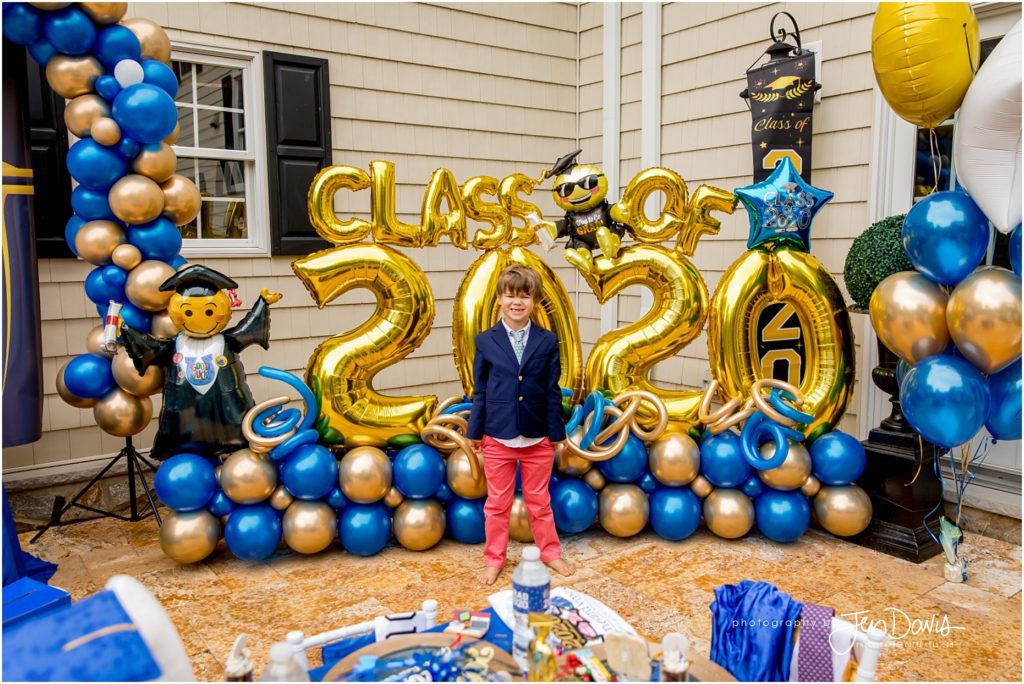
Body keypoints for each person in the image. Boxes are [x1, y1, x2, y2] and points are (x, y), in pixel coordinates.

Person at [467, 265, 575, 585]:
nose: (517, 302)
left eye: (524, 296)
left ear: (535, 301)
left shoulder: (547, 341)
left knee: (539, 501)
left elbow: (552, 390)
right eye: (511, 295)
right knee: (497, 504)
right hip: (497, 436)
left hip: (537, 437)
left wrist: (557, 434)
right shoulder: (486, 341)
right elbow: (481, 390)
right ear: (499, 299)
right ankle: (493, 558)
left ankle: (550, 552)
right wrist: (475, 431)